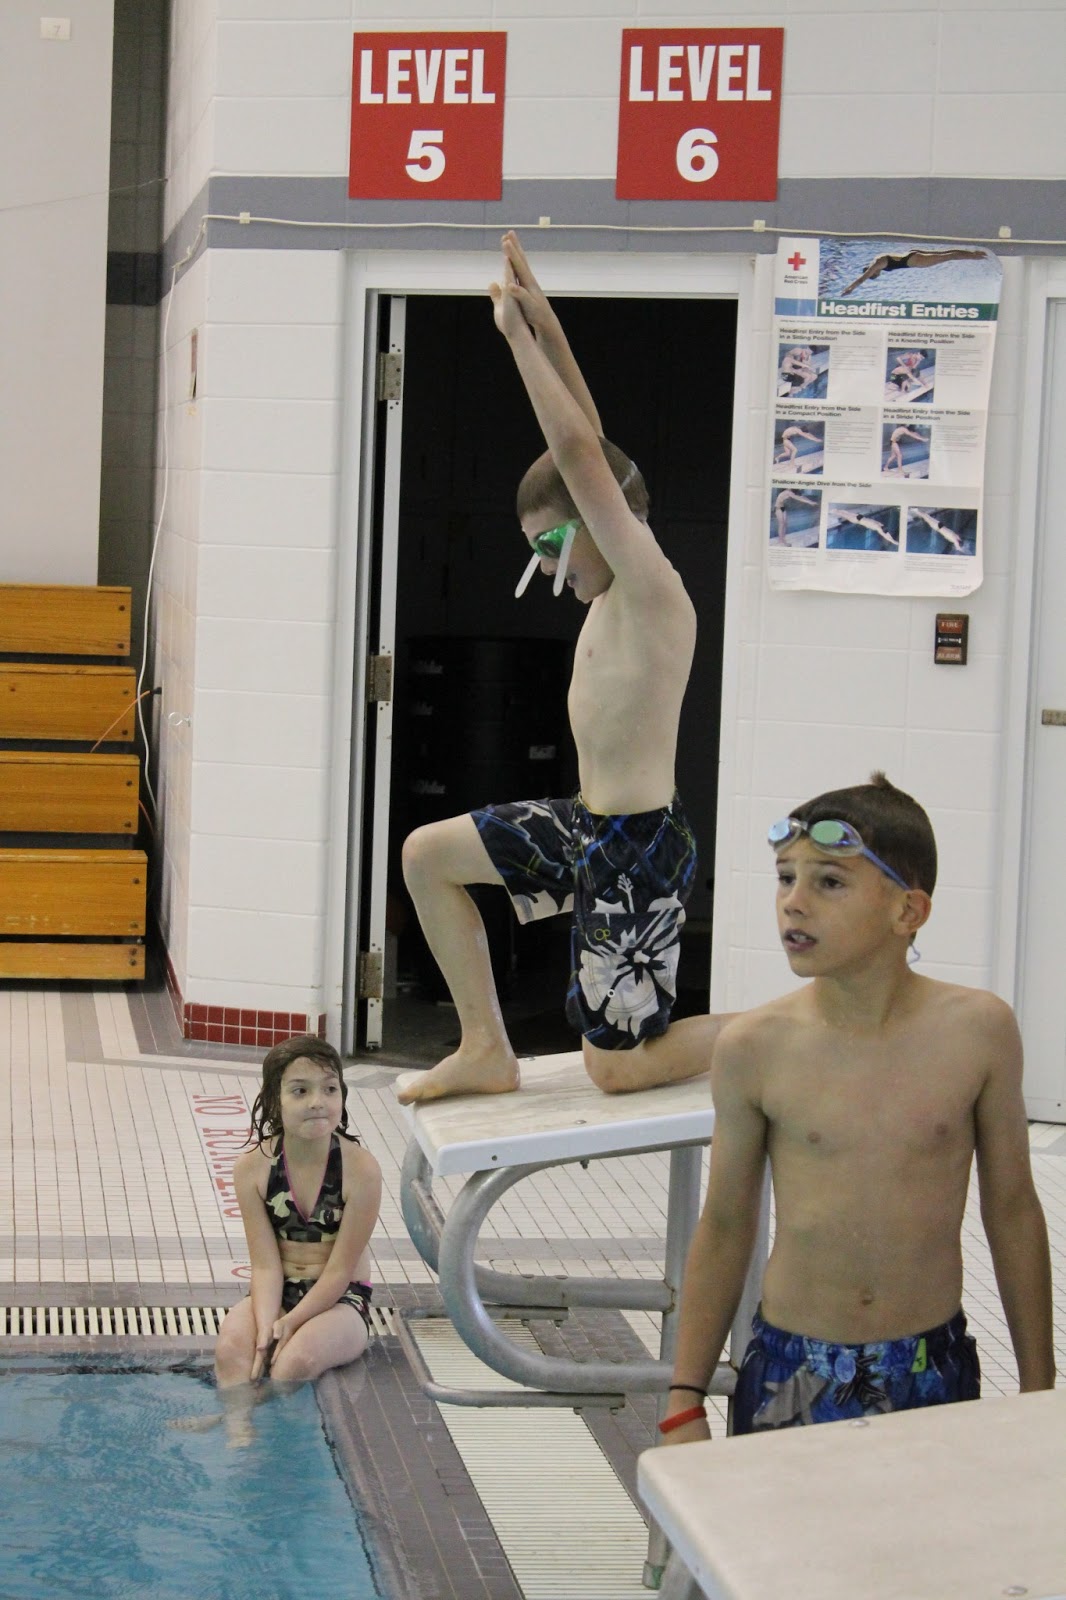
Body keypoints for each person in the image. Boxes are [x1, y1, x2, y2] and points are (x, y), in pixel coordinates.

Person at [398, 231, 731, 1106]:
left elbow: (586, 463)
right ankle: (484, 1048)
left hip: (640, 849)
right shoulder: (609, 584)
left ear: (601, 517)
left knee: (616, 1069)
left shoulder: (652, 591)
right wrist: (547, 322)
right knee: (427, 856)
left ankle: (778, 1028)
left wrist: (513, 341)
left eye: (552, 541)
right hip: (587, 827)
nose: (549, 565)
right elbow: (595, 447)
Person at [659, 774, 1055, 1444]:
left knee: (928, 1544)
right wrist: (684, 1398)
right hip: (797, 1371)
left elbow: (1012, 1207)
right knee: (778, 1541)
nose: (794, 903)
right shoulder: (755, 1047)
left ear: (908, 912)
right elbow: (726, 1223)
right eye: (785, 879)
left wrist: (1040, 1390)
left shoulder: (978, 1032)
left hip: (931, 1368)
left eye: (829, 882)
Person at [212, 1036, 382, 1444]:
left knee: (294, 1363)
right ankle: (238, 1427)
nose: (317, 1102)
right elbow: (267, 1266)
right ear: (275, 1102)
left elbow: (341, 1271)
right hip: (279, 1290)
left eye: (329, 1088)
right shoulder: (253, 1168)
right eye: (300, 1091)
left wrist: (292, 1322)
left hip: (341, 1300)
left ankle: (269, 1430)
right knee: (234, 1349)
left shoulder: (361, 1170)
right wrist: (269, 1324)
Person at [841, 246, 986, 296]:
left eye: (876, 275)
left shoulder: (877, 265)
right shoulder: (877, 259)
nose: (878, 273)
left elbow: (861, 279)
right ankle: (974, 254)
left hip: (914, 261)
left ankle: (976, 256)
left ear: (872, 272)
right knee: (946, 253)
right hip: (912, 254)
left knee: (949, 256)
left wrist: (849, 289)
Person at [834, 507, 898, 548]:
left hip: (860, 519)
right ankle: (836, 511)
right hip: (860, 519)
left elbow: (886, 535)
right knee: (847, 514)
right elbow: (886, 535)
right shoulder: (879, 526)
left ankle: (836, 511)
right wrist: (893, 541)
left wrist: (893, 541)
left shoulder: (878, 526)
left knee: (847, 514)